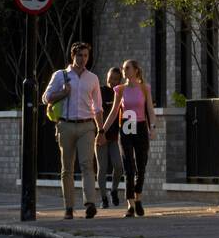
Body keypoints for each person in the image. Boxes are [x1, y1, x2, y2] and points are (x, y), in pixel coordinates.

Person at [42, 42, 105, 220]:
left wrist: (101, 130)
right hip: (66, 125)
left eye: (85, 56)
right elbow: (46, 97)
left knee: (87, 164)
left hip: (87, 125)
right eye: (79, 55)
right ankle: (68, 207)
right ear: (73, 56)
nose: (83, 59)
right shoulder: (60, 75)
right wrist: (62, 93)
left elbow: (98, 107)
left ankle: (90, 203)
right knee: (67, 168)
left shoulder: (92, 78)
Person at [100, 59, 157, 217]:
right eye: (123, 68)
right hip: (126, 127)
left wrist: (152, 128)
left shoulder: (145, 89)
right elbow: (113, 112)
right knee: (128, 167)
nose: (124, 71)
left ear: (136, 70)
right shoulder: (120, 89)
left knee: (141, 166)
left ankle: (138, 198)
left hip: (140, 127)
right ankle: (130, 204)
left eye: (127, 68)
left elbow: (150, 110)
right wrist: (102, 130)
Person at [96, 66, 123, 209]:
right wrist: (100, 133)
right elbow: (95, 112)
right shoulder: (100, 92)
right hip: (100, 136)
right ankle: (103, 198)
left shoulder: (119, 93)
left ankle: (113, 190)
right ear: (107, 77)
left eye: (116, 79)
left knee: (118, 166)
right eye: (111, 78)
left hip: (113, 137)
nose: (112, 81)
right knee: (102, 167)